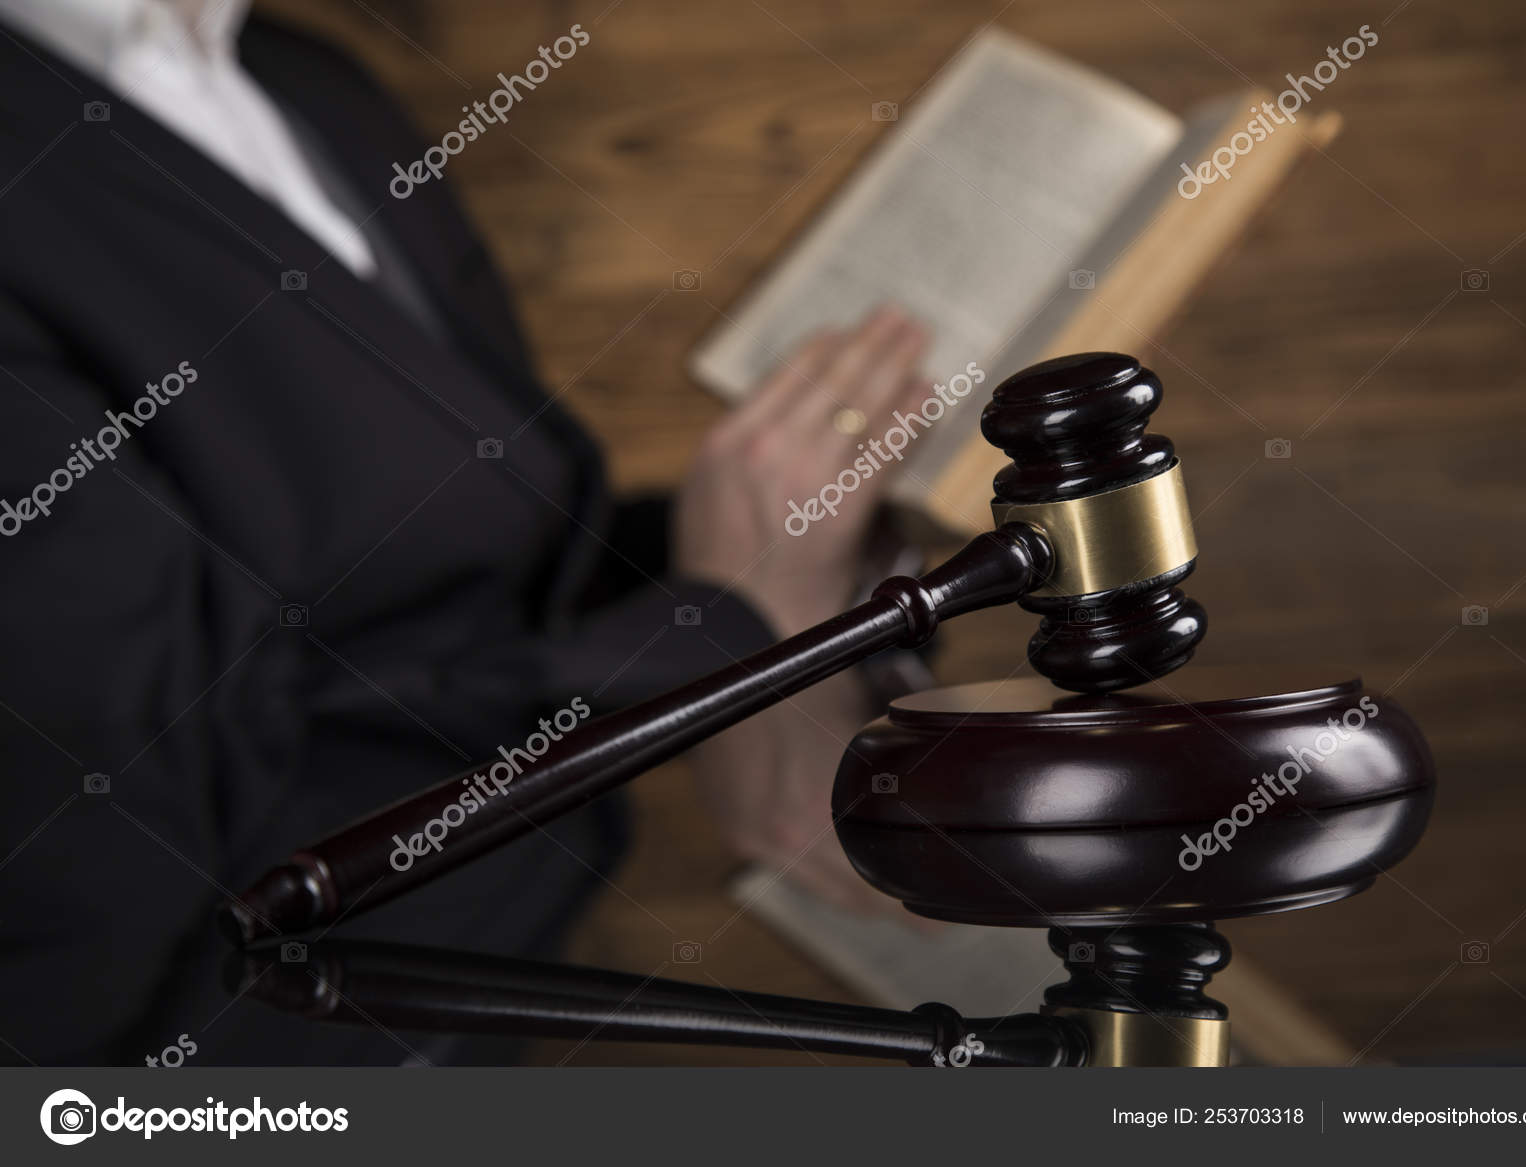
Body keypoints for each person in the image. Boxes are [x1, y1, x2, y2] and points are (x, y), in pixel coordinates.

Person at [0, 0, 932, 1064]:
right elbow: (137, 824)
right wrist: (717, 638)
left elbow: (425, 581)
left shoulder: (307, 79)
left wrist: (775, 566)